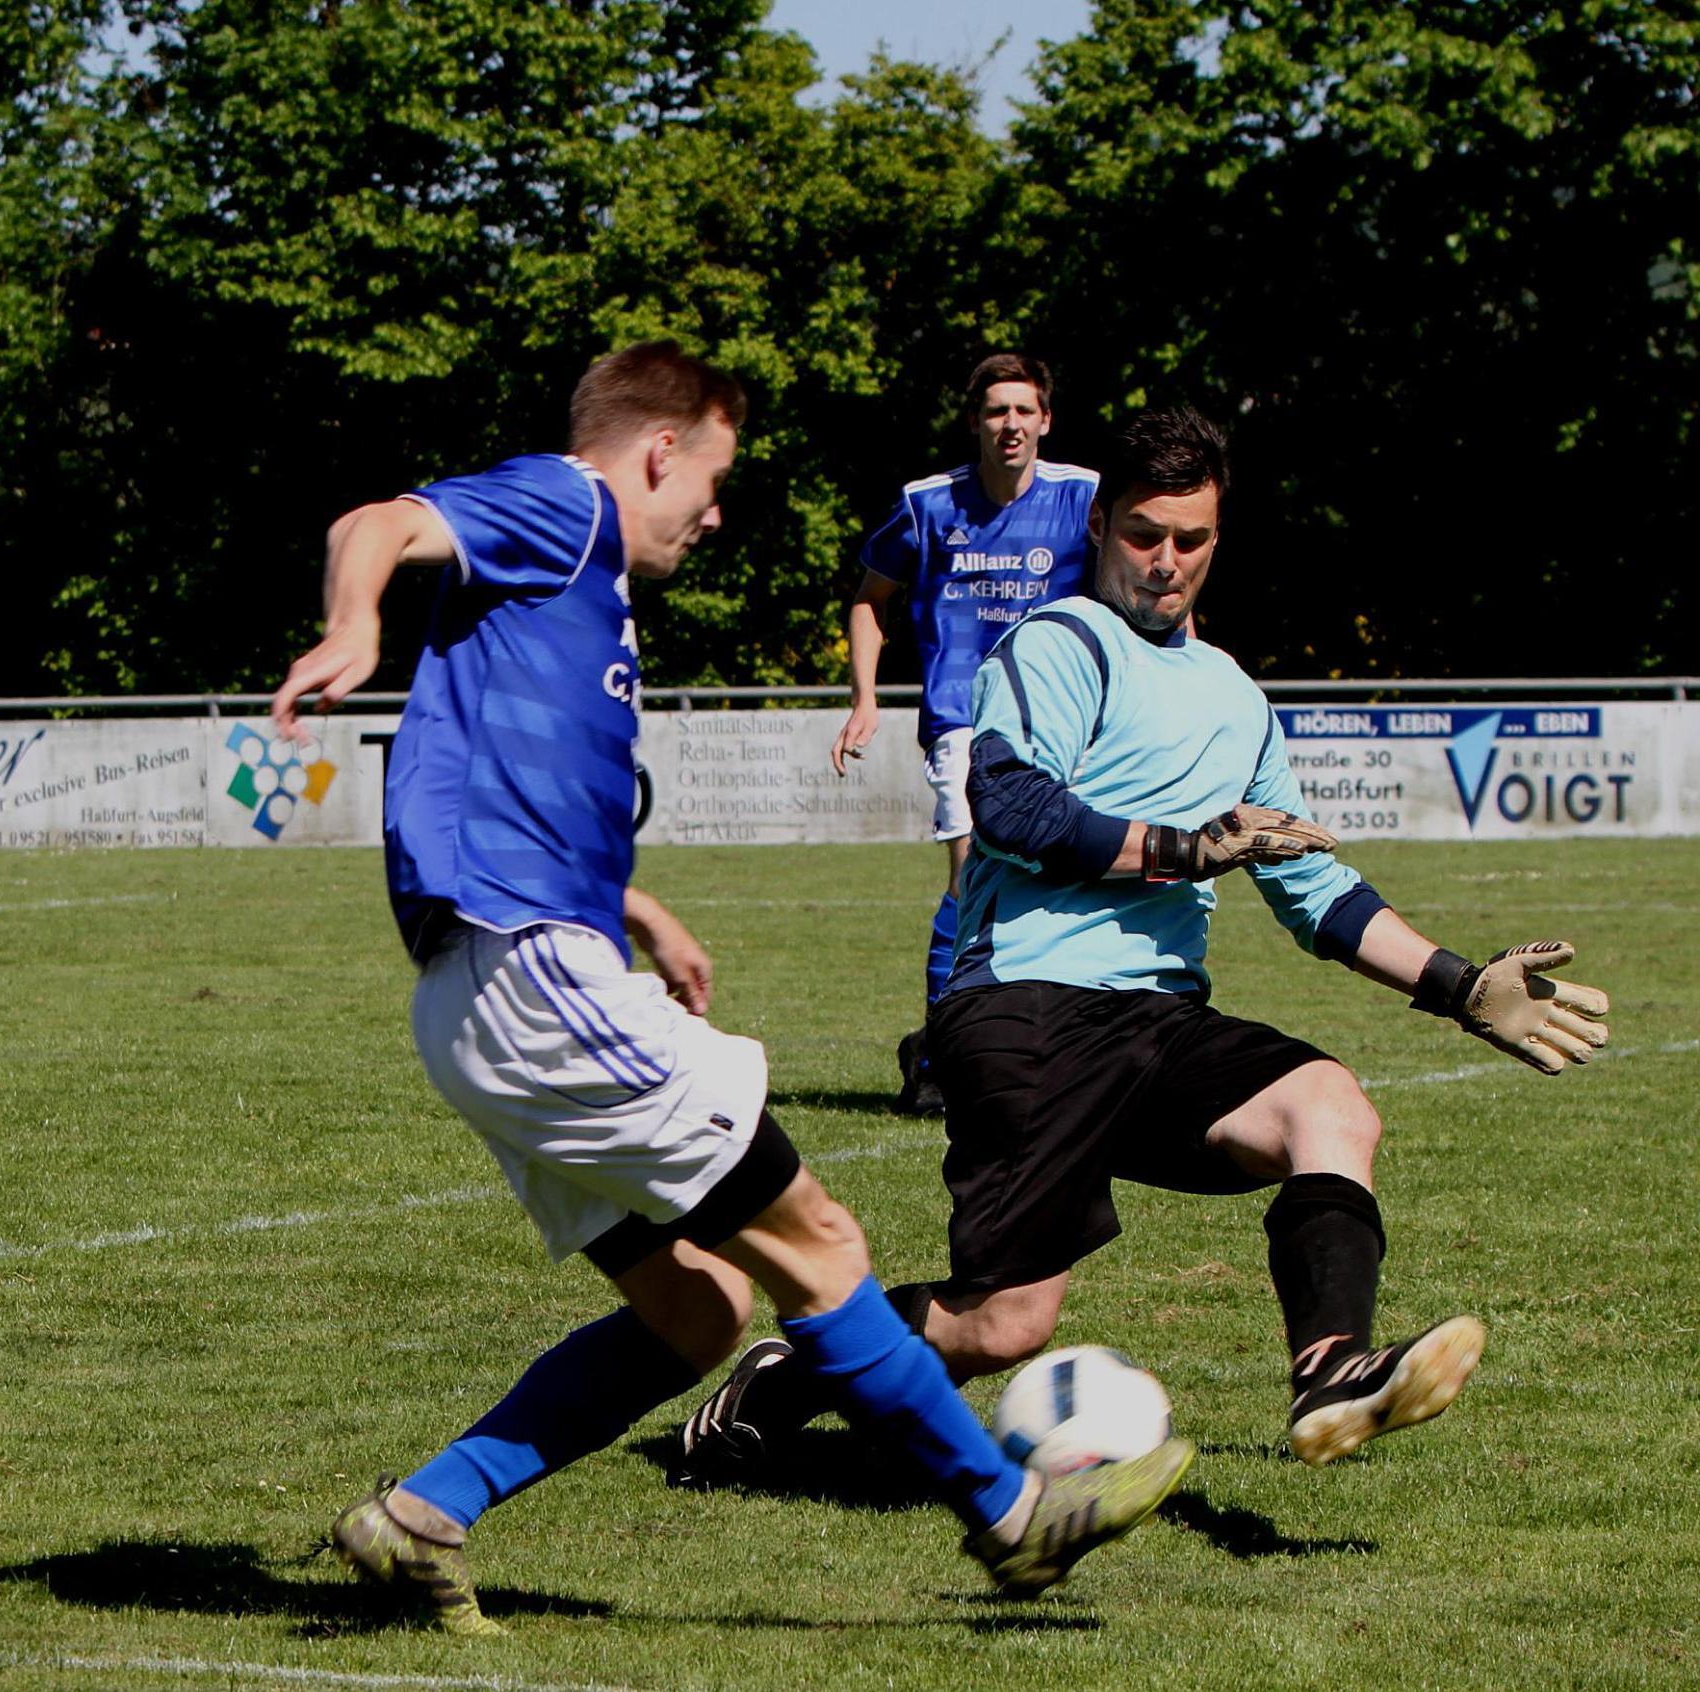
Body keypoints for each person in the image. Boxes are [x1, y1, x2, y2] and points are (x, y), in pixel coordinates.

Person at [271, 342, 1191, 1633]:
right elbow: (376, 522)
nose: (715, 510)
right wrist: (353, 618)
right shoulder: (572, 503)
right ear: (661, 448)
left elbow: (501, 782)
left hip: (485, 995)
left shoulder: (569, 579)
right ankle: (1011, 1517)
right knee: (820, 1245)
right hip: (532, 982)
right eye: (712, 476)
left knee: (697, 1309)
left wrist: (633, 908)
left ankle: (421, 1513)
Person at [679, 406, 1610, 1480]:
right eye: (1142, 534)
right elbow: (1014, 806)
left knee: (1332, 1106)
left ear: (1219, 541)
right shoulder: (1060, 642)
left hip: (1161, 1022)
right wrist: (1186, 846)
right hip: (1023, 1008)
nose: (1166, 564)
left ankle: (1332, 1371)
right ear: (1101, 528)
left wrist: (1459, 985)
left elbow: (1308, 884)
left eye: (1191, 540)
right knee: (1000, 1328)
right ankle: (786, 1376)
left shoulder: (1235, 698)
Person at [837, 354, 1095, 1115]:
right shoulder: (927, 504)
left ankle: (1025, 1048)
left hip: (1065, 720)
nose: (1009, 425)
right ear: (975, 421)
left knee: (1057, 886)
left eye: (1023, 411)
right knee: (971, 879)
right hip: (964, 718)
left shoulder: (1086, 499)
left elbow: (1150, 590)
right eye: (995, 412)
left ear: (1044, 419)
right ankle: (940, 1061)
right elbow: (868, 598)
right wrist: (864, 697)